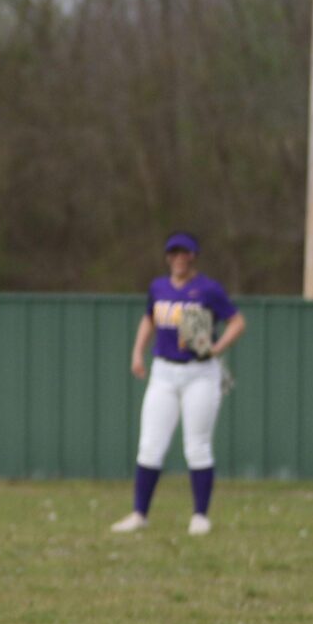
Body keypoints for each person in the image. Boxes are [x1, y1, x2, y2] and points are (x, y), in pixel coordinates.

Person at [112, 230, 245, 537]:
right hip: (164, 371)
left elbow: (237, 321)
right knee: (150, 444)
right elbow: (150, 318)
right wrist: (137, 353)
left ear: (193, 256)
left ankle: (200, 516)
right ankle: (139, 514)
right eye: (173, 253)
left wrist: (217, 347)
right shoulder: (158, 287)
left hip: (199, 372)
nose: (178, 258)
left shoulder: (208, 289)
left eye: (184, 253)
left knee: (197, 445)